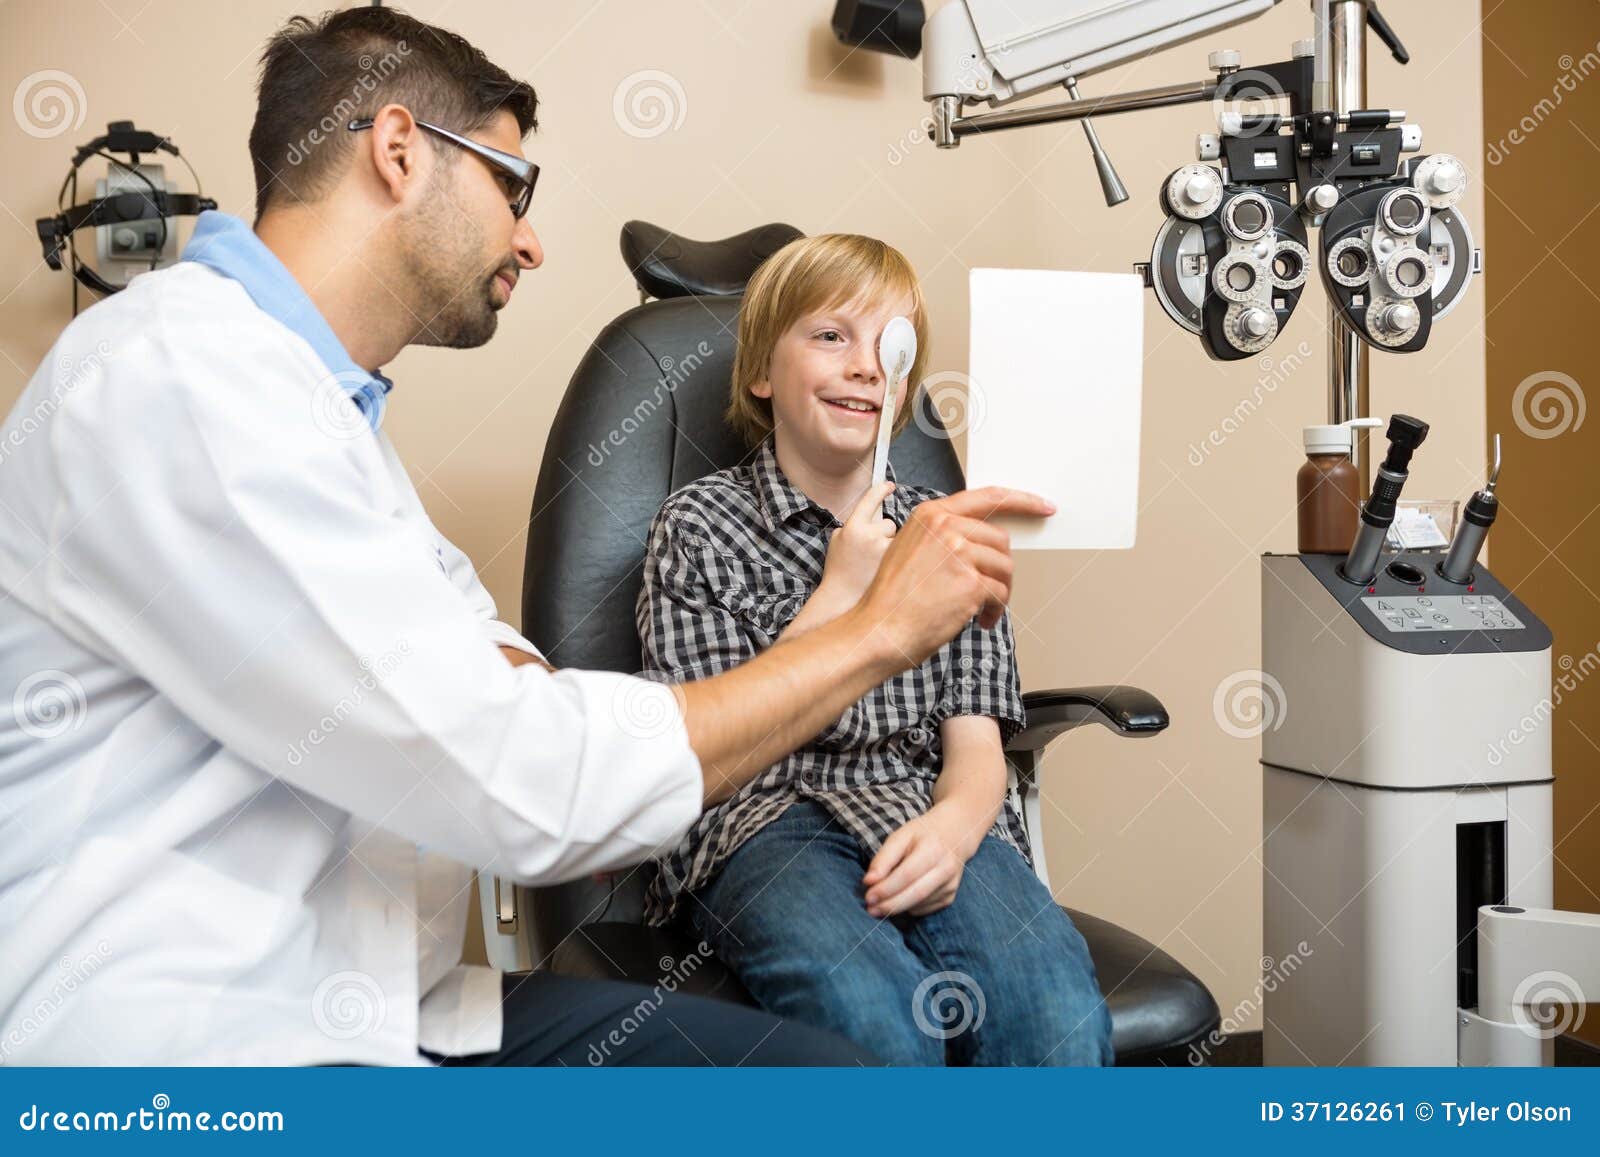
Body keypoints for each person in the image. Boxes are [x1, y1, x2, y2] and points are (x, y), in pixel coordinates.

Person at [0, 9, 1052, 1066]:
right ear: (401, 151)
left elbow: (493, 657)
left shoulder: (327, 421)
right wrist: (871, 630)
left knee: (830, 1077)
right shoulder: (181, 378)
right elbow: (522, 780)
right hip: (191, 1047)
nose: (532, 238)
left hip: (372, 999)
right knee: (850, 1053)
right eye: (514, 186)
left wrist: (499, 700)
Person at [637, 234, 1113, 1065]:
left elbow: (978, 751)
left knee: (1056, 1009)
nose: (864, 366)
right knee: (876, 1021)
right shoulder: (697, 527)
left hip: (920, 808)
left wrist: (958, 829)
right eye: (830, 336)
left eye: (889, 347)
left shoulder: (947, 533)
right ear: (760, 372)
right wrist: (842, 591)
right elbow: (714, 751)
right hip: (759, 823)